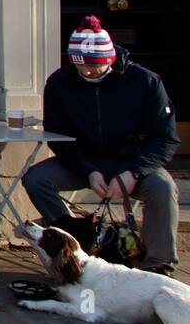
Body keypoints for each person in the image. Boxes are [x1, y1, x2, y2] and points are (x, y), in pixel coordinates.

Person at [22, 15, 181, 274]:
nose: (86, 72)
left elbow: (165, 138)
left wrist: (134, 173)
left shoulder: (145, 82)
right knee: (37, 180)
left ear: (110, 59)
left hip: (133, 162)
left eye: (93, 67)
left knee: (163, 189)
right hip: (84, 161)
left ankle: (159, 265)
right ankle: (74, 242)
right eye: (80, 67)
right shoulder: (60, 82)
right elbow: (57, 134)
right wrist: (87, 170)